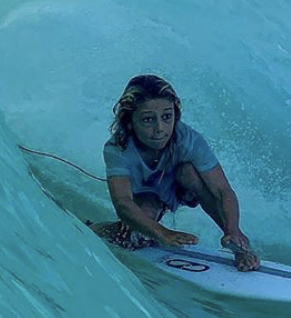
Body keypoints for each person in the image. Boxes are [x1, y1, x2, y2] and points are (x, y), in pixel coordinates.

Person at [99, 74, 259, 272]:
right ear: (130, 122)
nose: (160, 128)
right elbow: (123, 203)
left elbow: (222, 191)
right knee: (135, 235)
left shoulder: (188, 140)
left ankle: (237, 244)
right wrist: (162, 233)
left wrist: (233, 230)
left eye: (167, 117)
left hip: (177, 186)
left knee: (189, 172)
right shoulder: (118, 148)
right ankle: (98, 229)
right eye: (148, 120)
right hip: (143, 195)